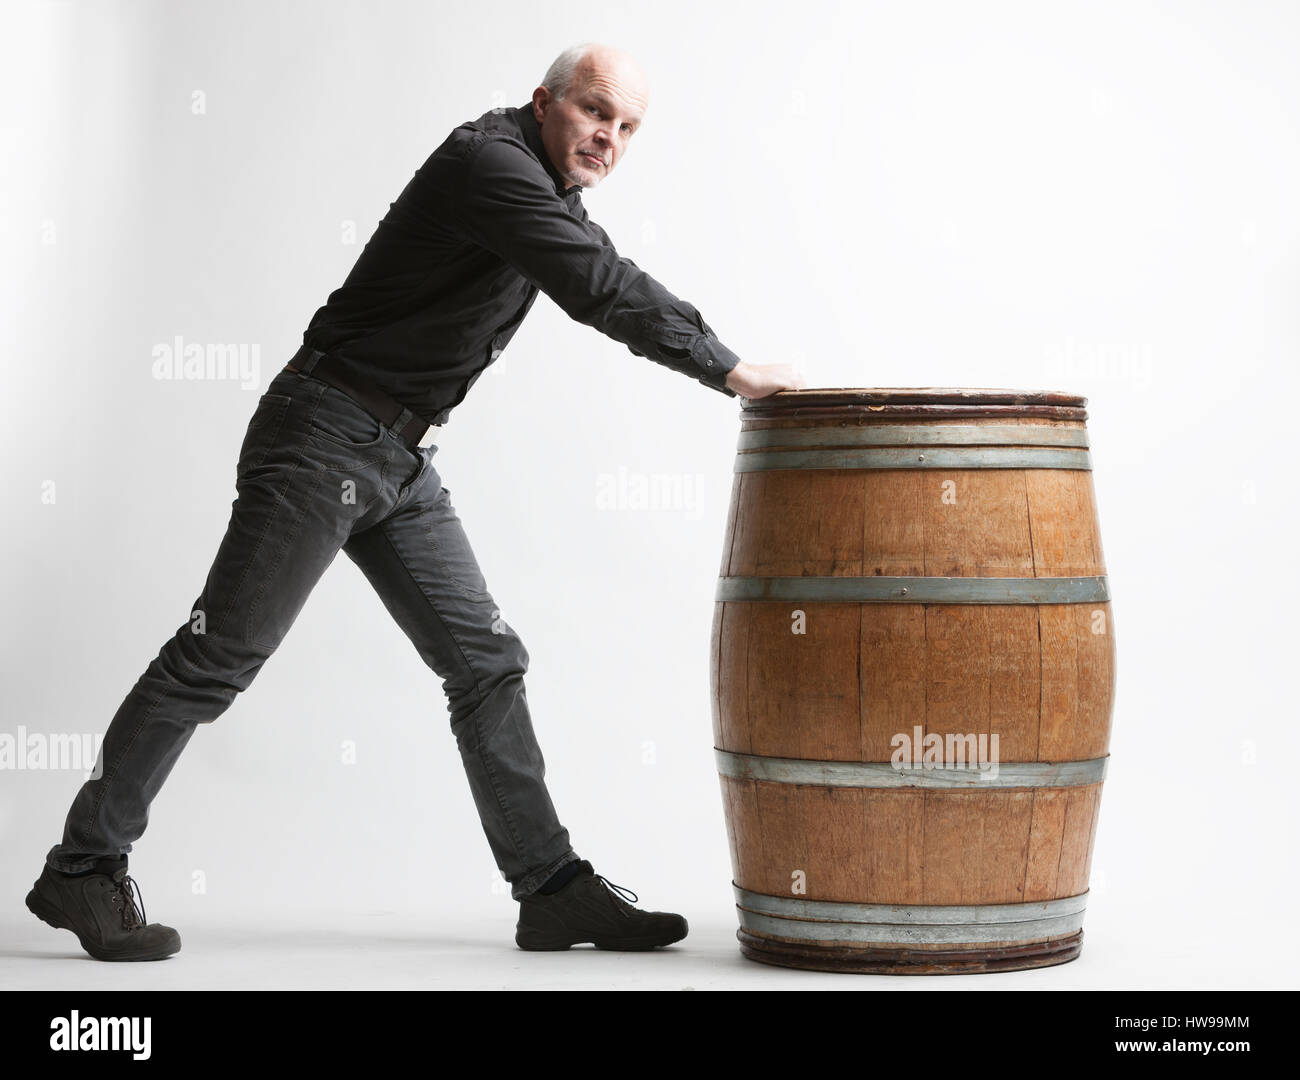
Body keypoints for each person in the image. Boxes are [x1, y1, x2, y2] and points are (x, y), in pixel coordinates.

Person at [25, 41, 806, 961]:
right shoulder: (492, 166)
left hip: (395, 458)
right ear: (544, 101)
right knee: (218, 655)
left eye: (628, 127)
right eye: (596, 111)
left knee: (486, 659)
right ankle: (83, 867)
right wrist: (730, 369)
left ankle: (550, 888)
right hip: (321, 435)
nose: (609, 137)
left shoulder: (553, 198)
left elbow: (605, 267)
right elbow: (604, 290)